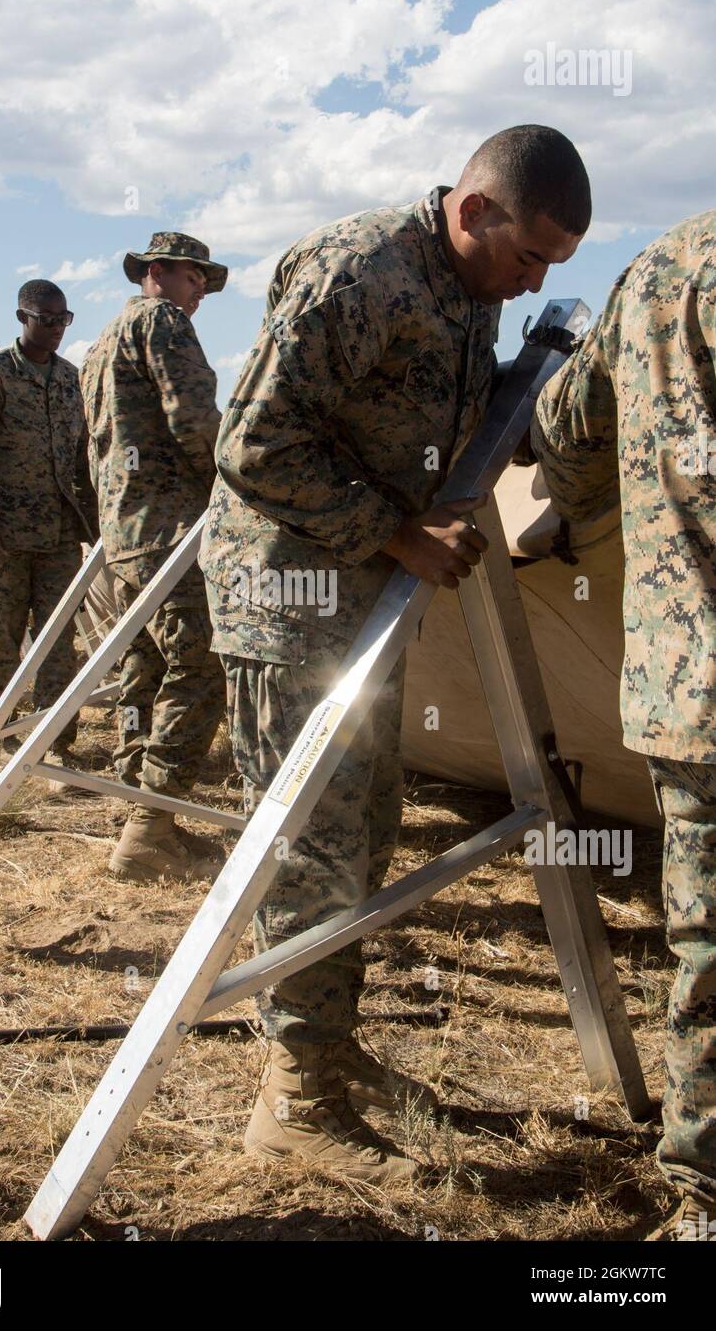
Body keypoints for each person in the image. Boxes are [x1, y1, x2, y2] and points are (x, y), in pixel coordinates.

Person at [198, 125, 590, 1184]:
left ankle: (322, 1050)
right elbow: (252, 444)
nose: (532, 281)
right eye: (528, 255)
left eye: (552, 266)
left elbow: (419, 411)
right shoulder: (362, 270)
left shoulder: (467, 287)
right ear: (474, 209)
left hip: (361, 598)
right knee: (312, 847)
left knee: (362, 830)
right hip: (290, 596)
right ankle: (295, 1101)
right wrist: (395, 533)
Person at [531, 208, 716, 1241]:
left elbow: (564, 430)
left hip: (686, 691)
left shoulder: (657, 269)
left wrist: (598, 516)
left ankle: (702, 1201)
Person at [81, 234, 227, 879]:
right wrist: (238, 482)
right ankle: (150, 828)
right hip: (171, 528)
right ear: (157, 272)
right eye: (196, 278)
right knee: (200, 667)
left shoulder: (99, 346)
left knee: (145, 663)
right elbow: (194, 419)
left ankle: (132, 790)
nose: (200, 294)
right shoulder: (161, 320)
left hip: (124, 533)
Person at [0, 280, 98, 770]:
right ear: (22, 318)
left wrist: (95, 526)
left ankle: (55, 740)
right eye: (46, 319)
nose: (56, 328)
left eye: (64, 319)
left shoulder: (71, 379)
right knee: (0, 641)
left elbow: (83, 461)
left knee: (58, 643)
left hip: (59, 538)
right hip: (3, 538)